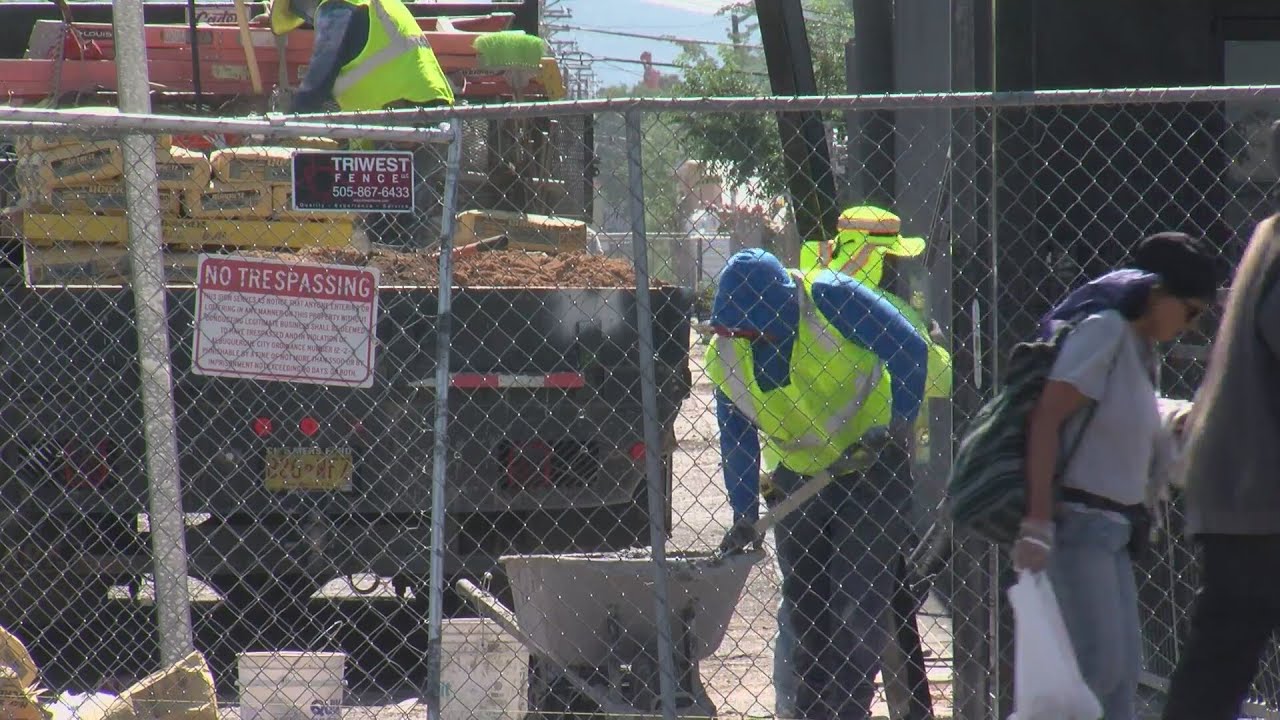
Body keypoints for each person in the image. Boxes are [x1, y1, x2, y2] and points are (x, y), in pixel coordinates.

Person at [705, 248, 928, 720]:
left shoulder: (831, 299)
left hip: (870, 468)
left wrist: (894, 428)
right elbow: (737, 438)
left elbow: (909, 348)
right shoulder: (725, 351)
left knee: (857, 604)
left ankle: (849, 712)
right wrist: (744, 513)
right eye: (738, 330)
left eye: (754, 327)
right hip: (797, 481)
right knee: (806, 609)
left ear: (780, 307)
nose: (746, 338)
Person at [1012, 232, 1221, 720]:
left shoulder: (1137, 347)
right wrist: (1038, 522)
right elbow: (1047, 419)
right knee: (1099, 673)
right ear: (1156, 293)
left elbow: (1127, 424)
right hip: (1078, 522)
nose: (1190, 326)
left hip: (1114, 529)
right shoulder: (1104, 330)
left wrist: (1176, 421)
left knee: (1121, 678)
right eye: (1189, 311)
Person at [772, 205, 953, 719]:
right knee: (861, 610)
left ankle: (800, 711)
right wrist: (932, 342)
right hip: (868, 472)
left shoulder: (793, 293)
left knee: (804, 612)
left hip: (795, 473)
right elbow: (936, 377)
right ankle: (848, 708)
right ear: (876, 255)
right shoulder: (884, 307)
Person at [1158, 212, 1280, 719]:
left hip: (1242, 486)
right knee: (1220, 659)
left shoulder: (1271, 233)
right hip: (1258, 492)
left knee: (1219, 657)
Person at [264, 0, 456, 247]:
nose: (308, 17)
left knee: (390, 218)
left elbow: (319, 77)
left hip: (402, 114)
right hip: (422, 109)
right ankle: (405, 274)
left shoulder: (337, 8)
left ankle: (394, 275)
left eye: (300, 9)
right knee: (404, 216)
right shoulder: (369, 7)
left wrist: (282, 124)